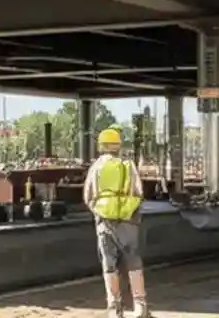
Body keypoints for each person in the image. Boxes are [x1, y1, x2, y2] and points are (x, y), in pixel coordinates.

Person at [84, 126, 150, 318]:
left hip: (105, 222)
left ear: (101, 146)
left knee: (109, 264)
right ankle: (140, 305)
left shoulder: (96, 167)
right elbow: (139, 192)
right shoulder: (128, 166)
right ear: (118, 146)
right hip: (128, 220)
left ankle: (114, 308)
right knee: (133, 261)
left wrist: (100, 213)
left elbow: (88, 196)